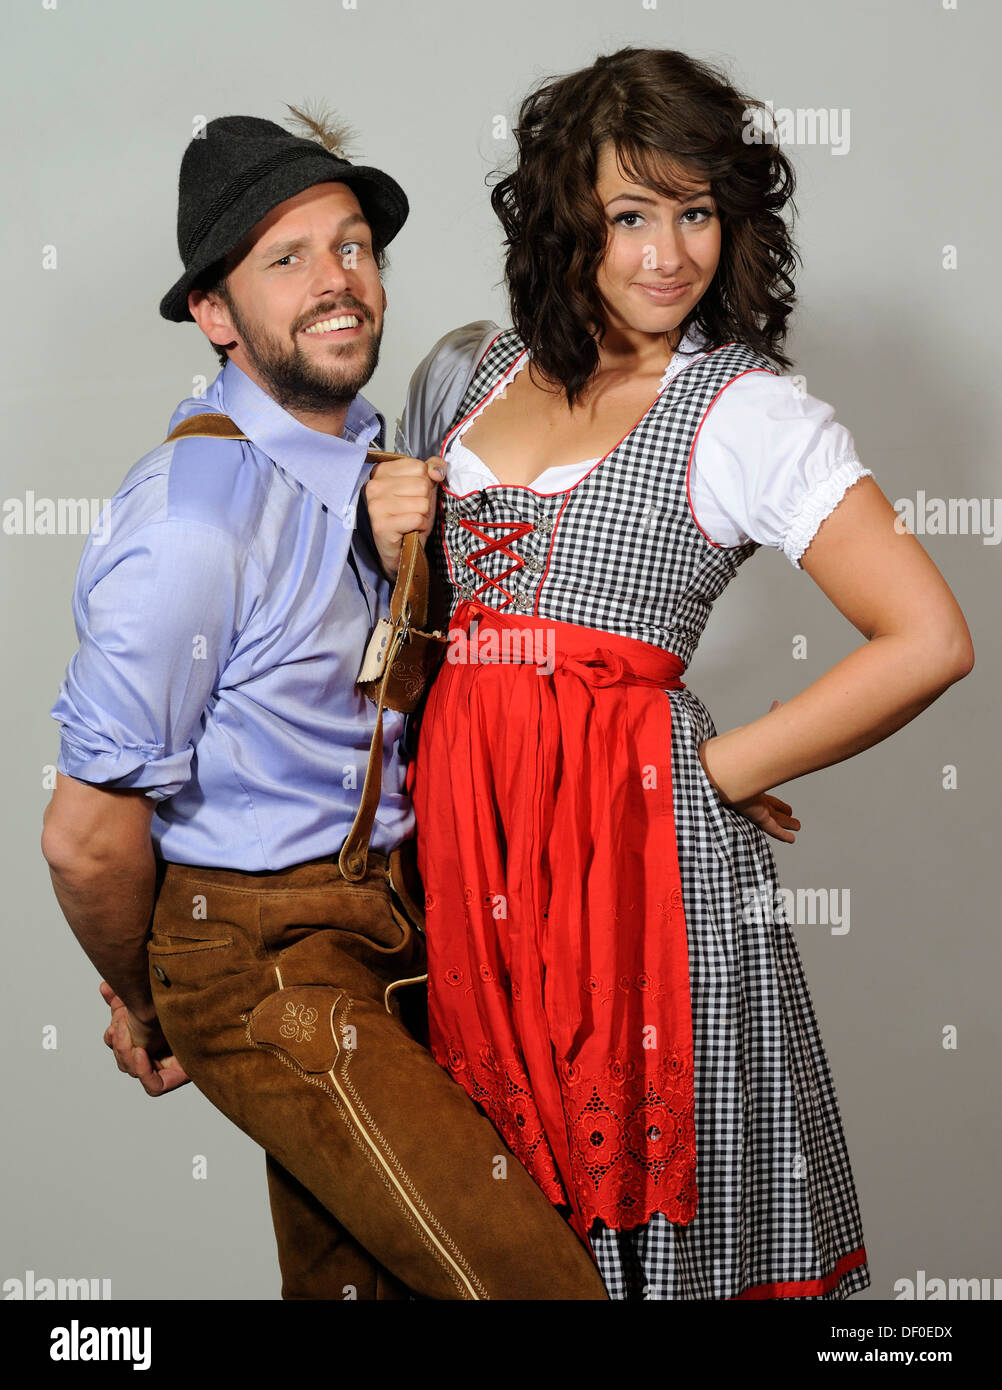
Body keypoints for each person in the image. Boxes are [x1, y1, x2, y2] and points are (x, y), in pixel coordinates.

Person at [368, 47, 975, 1300]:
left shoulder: (742, 409)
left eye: (696, 212)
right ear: (567, 220)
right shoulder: (474, 377)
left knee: (660, 1190)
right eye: (632, 214)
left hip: (638, 863)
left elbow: (929, 636)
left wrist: (717, 765)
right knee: (494, 1216)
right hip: (472, 852)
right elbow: (405, 635)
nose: (668, 253)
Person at [40, 108, 609, 1301]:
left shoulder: (375, 456)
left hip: (401, 918)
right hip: (262, 950)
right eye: (285, 259)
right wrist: (153, 1001)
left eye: (352, 247)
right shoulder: (194, 521)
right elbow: (87, 839)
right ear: (213, 312)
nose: (337, 282)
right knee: (535, 1287)